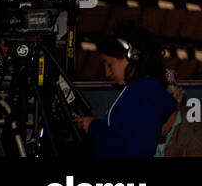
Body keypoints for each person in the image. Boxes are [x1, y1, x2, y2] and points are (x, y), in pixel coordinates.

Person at [76, 24, 177, 157]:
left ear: (131, 56)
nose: (107, 73)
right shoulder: (152, 91)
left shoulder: (138, 94)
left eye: (109, 64)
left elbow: (125, 147)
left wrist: (93, 126)